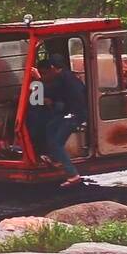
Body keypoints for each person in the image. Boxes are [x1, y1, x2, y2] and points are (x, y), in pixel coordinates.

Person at [37, 56, 87, 187]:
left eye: (44, 73)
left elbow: (51, 90)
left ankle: (73, 174)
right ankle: (55, 158)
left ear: (52, 69)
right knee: (50, 126)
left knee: (57, 143)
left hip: (74, 114)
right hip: (71, 112)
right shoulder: (67, 77)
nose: (44, 77)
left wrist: (37, 79)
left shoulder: (62, 79)